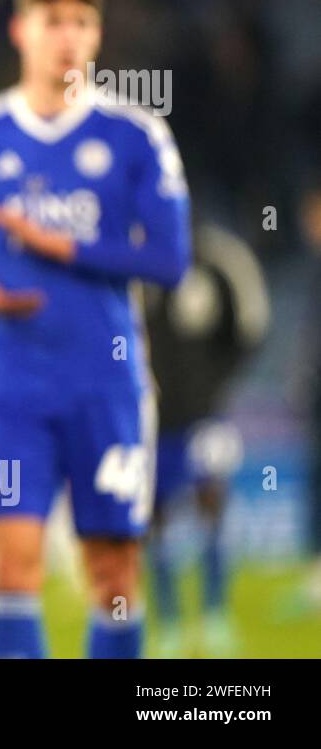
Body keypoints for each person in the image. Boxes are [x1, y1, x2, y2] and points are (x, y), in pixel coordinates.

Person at [0, 0, 192, 658]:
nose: (68, 37)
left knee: (112, 569)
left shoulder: (137, 135)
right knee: (13, 564)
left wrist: (62, 244)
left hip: (106, 383)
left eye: (81, 22)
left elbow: (169, 260)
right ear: (23, 31)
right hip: (13, 386)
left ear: (98, 36)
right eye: (54, 22)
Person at [145, 219, 269, 656]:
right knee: (153, 518)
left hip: (206, 416)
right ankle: (171, 623)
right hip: (150, 419)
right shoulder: (135, 260)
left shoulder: (219, 257)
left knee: (211, 506)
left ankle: (215, 616)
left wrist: (217, 384)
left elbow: (251, 324)